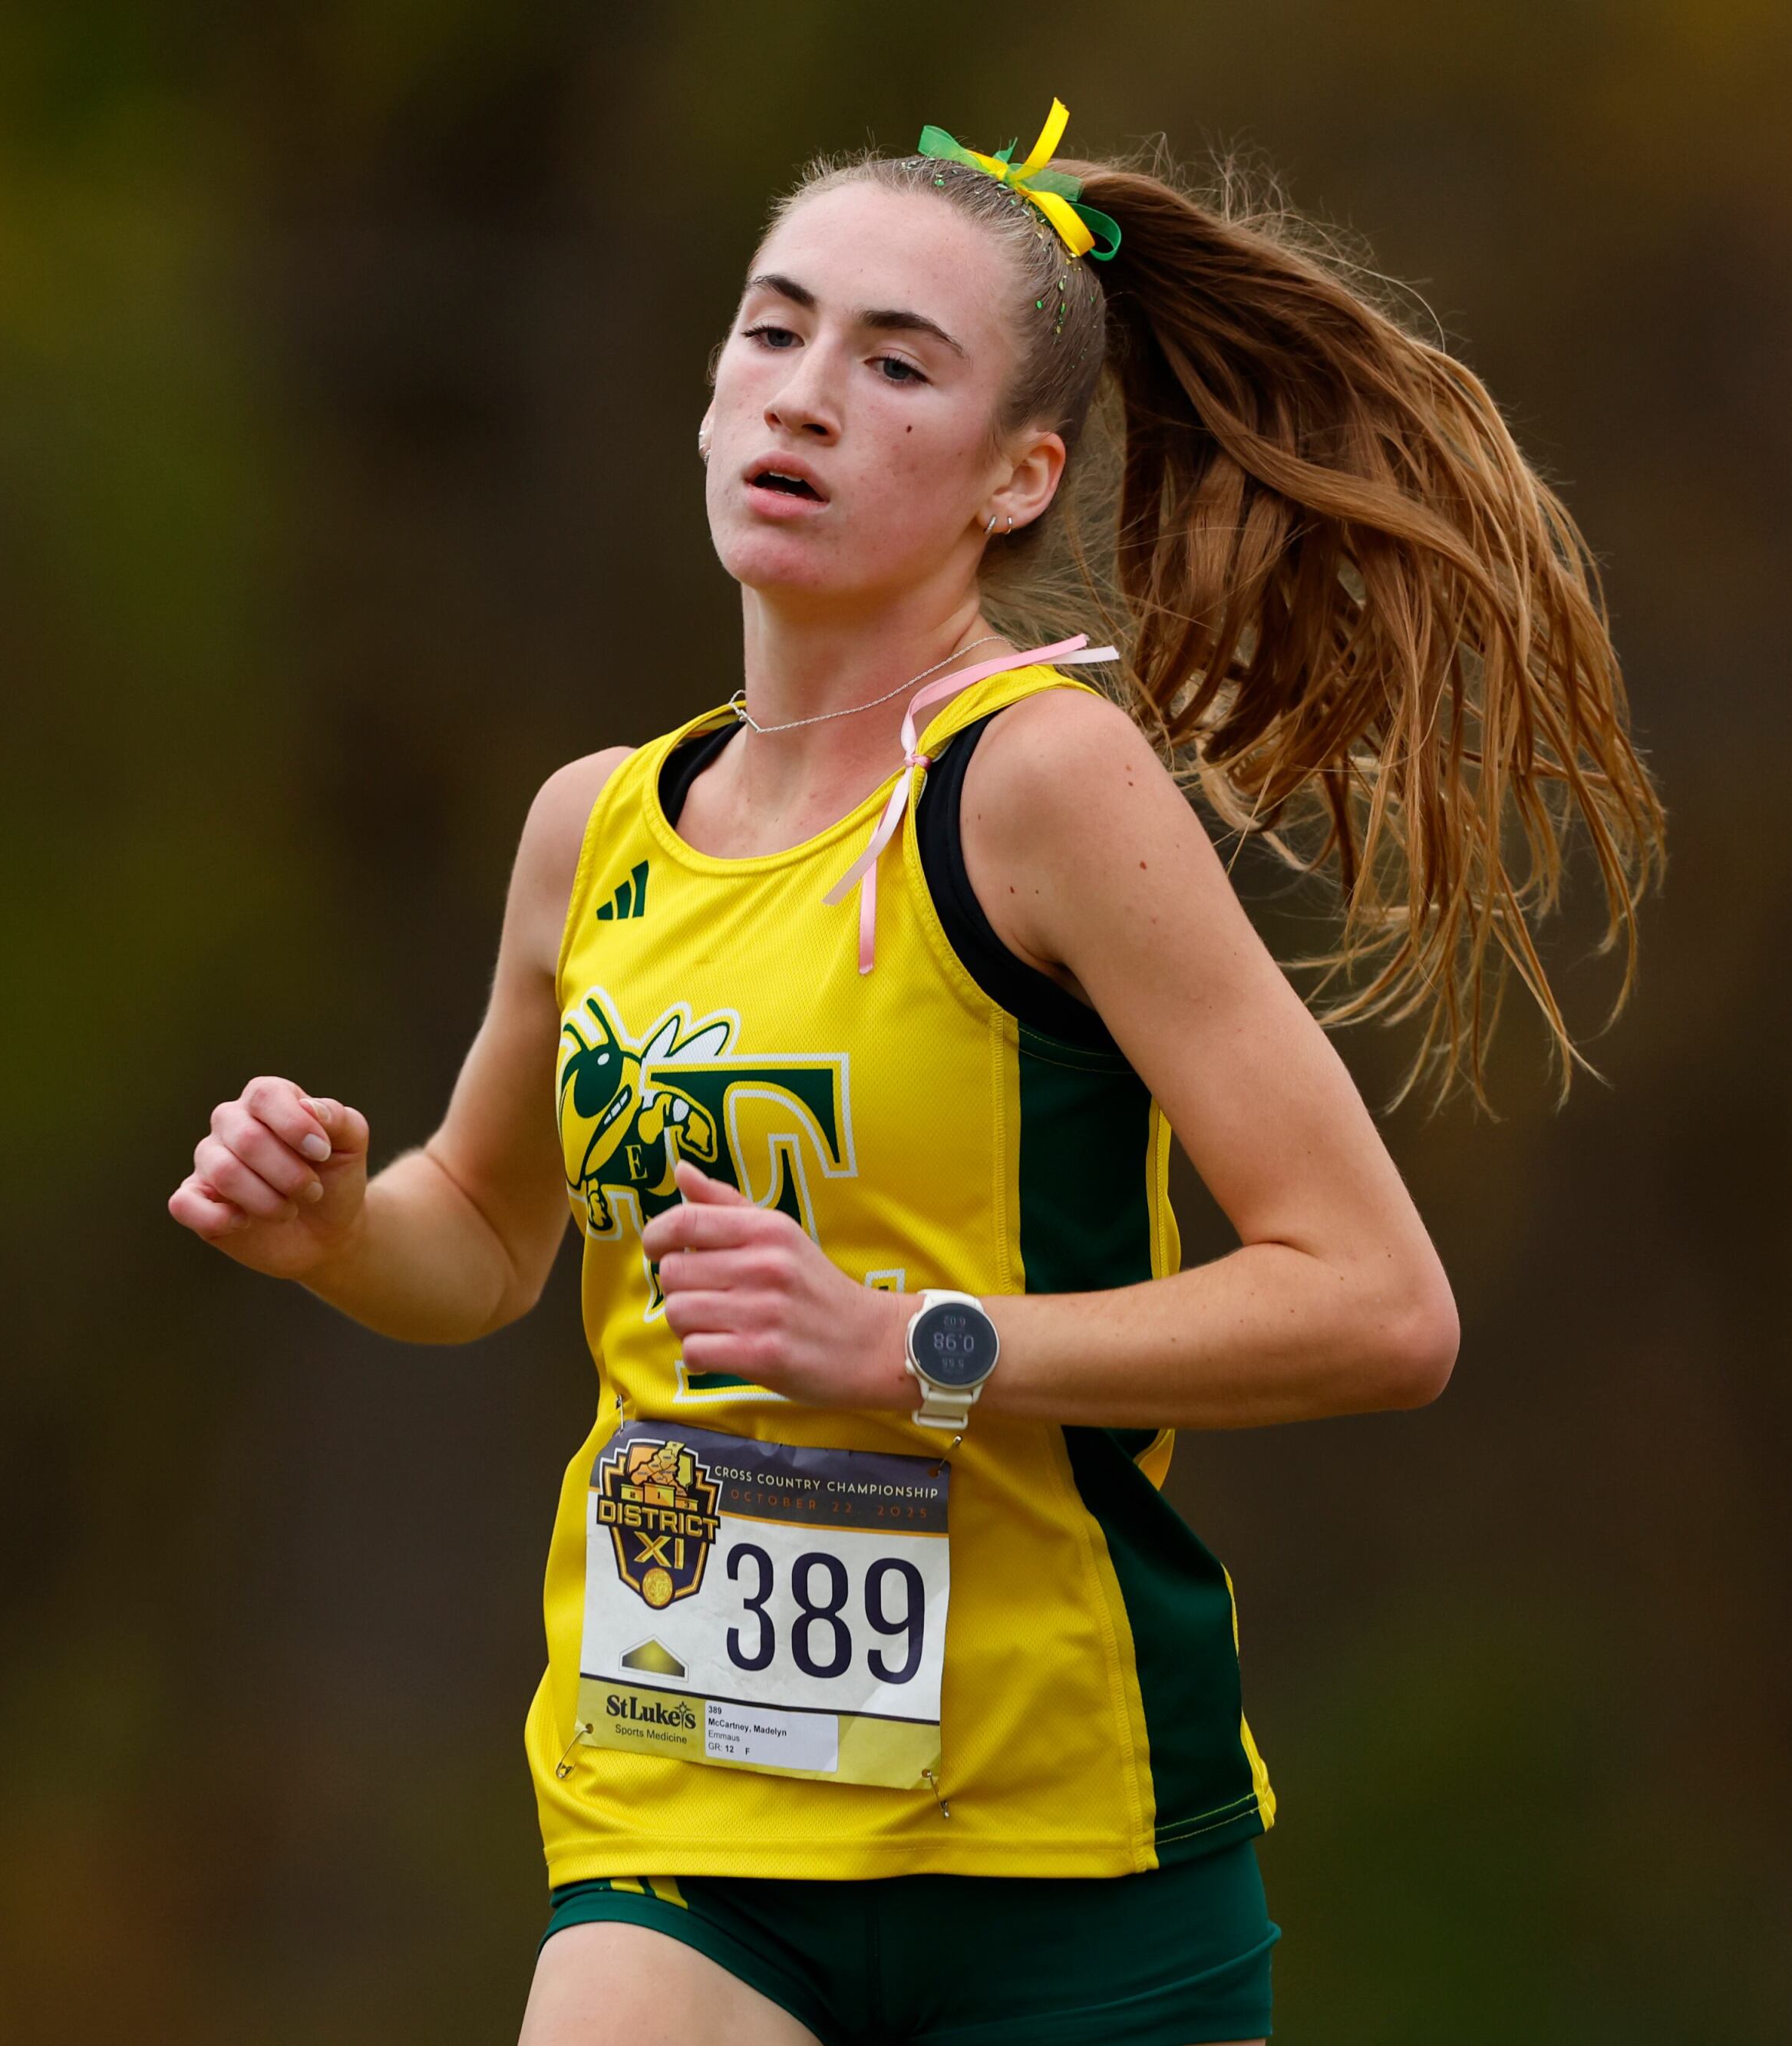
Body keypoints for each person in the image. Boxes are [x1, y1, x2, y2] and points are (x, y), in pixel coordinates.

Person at [170, 99, 1659, 2046]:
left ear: (1014, 477)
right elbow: (480, 1230)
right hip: (682, 1814)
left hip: (1064, 1868)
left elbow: (1376, 1305)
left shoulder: (1038, 788)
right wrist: (331, 1230)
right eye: (772, 329)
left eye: (895, 365)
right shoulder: (591, 827)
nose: (803, 395)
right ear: (709, 391)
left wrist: (906, 1348)